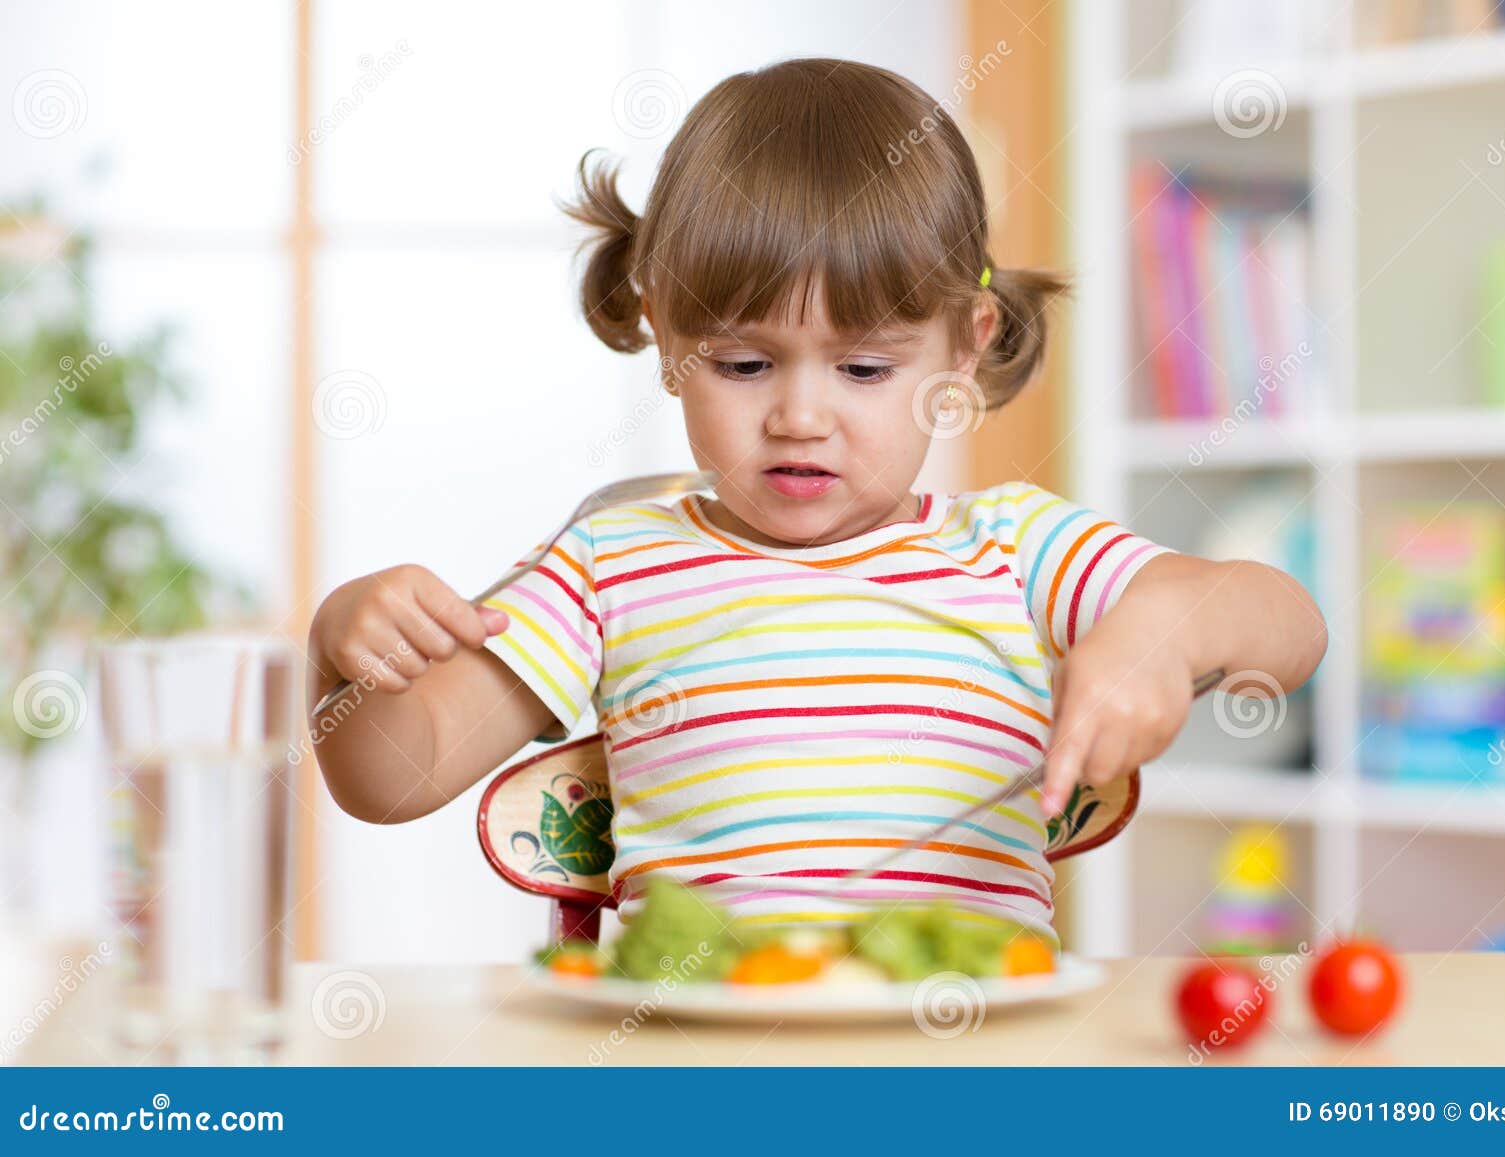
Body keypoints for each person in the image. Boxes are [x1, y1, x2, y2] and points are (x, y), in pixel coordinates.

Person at [308, 58, 1326, 946]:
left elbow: (1286, 625)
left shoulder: (1017, 547)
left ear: (964, 345)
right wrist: (341, 648)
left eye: (865, 368)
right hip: (698, 1063)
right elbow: (395, 779)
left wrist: (1161, 624)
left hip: (964, 1056)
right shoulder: (607, 564)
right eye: (745, 362)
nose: (800, 414)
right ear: (668, 339)